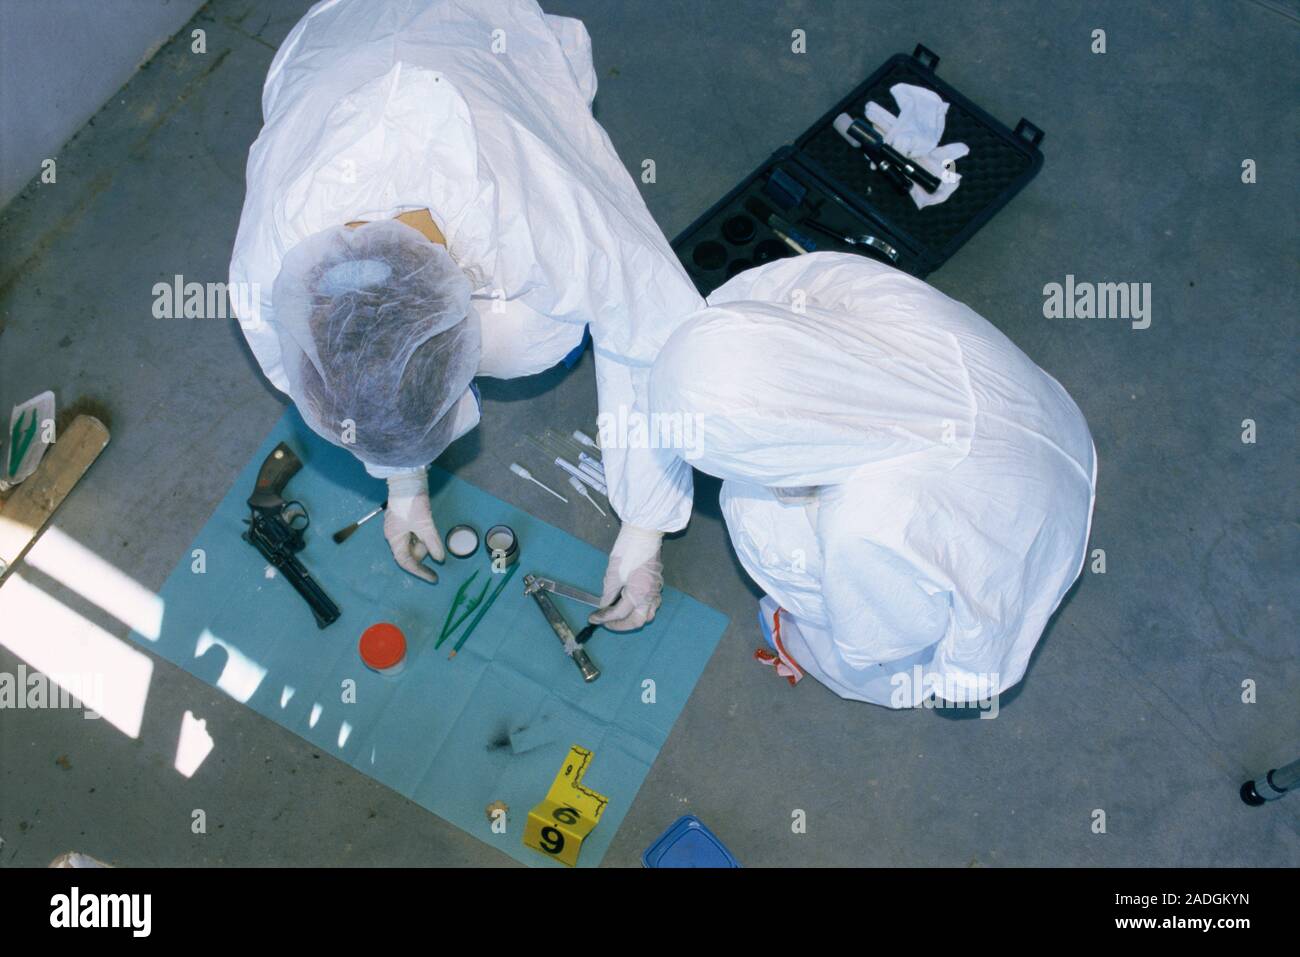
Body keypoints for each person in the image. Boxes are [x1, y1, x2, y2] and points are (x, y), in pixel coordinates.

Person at [228, 0, 703, 629]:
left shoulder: (543, 213)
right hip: (339, 38)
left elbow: (655, 330)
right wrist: (401, 480)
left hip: (484, 29)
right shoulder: (269, 269)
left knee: (537, 336)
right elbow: (346, 376)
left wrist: (645, 527)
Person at [645, 252, 1097, 707]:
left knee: (756, 518)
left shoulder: (866, 524)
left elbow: (891, 634)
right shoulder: (857, 289)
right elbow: (740, 311)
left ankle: (869, 662)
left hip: (1031, 532)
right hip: (1047, 419)